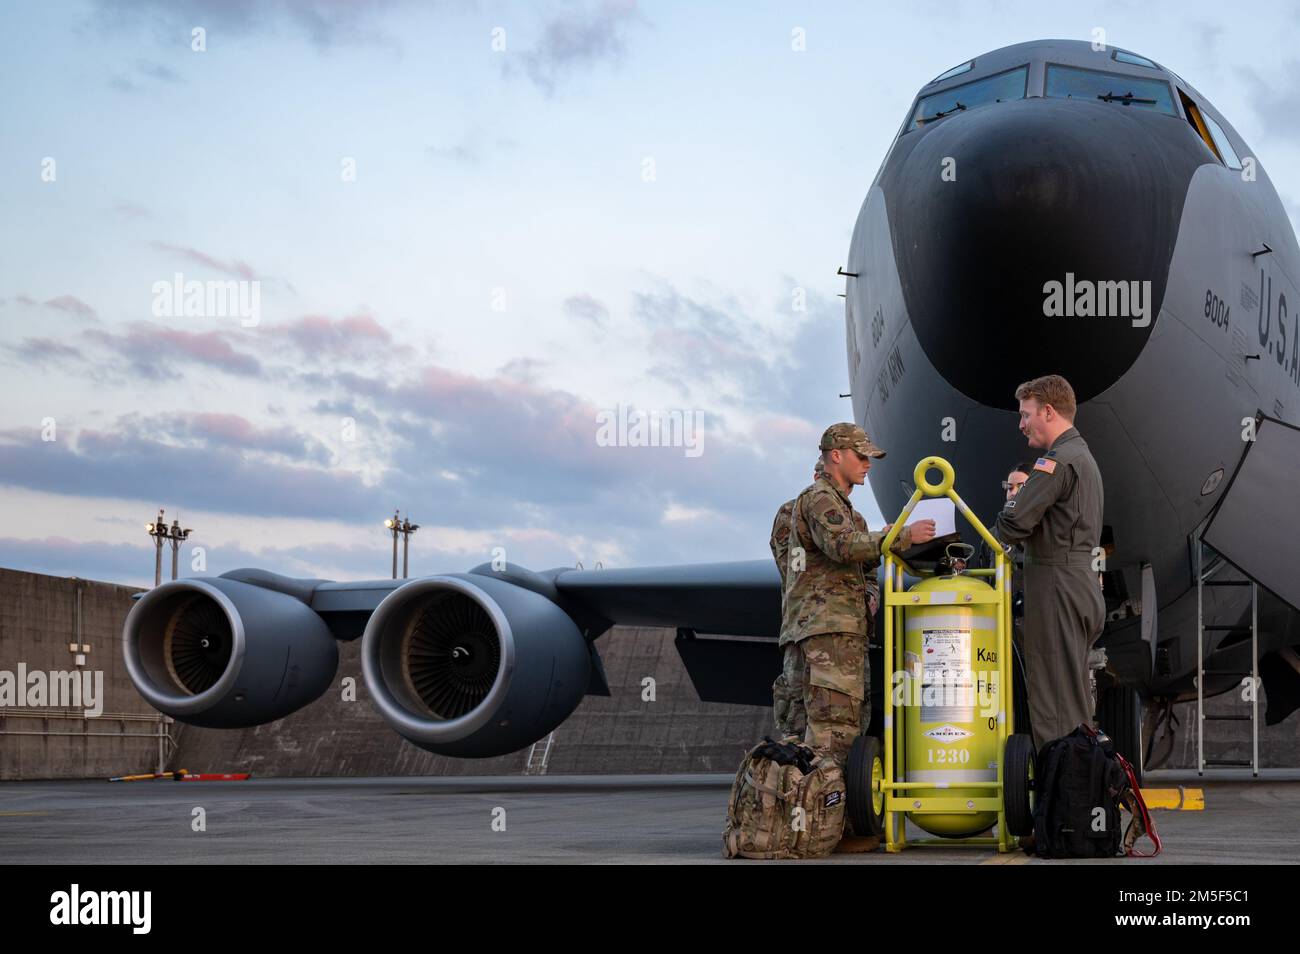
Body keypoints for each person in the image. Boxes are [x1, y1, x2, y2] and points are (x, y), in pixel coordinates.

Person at [780, 423, 936, 766]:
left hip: (841, 632)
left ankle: (830, 814)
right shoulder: (818, 499)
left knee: (846, 727)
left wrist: (869, 593)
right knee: (831, 735)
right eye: (861, 456)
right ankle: (823, 813)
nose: (868, 464)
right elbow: (842, 546)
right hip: (826, 632)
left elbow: (861, 567)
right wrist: (903, 536)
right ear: (836, 456)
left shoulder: (850, 513)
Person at [992, 375, 1105, 754]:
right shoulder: (1083, 457)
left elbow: (1013, 523)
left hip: (1057, 587)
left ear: (1049, 412)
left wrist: (1000, 520)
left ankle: (1063, 800)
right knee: (1071, 701)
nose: (1022, 424)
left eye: (1026, 415)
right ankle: (1072, 792)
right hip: (1076, 582)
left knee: (1056, 709)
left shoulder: (1057, 462)